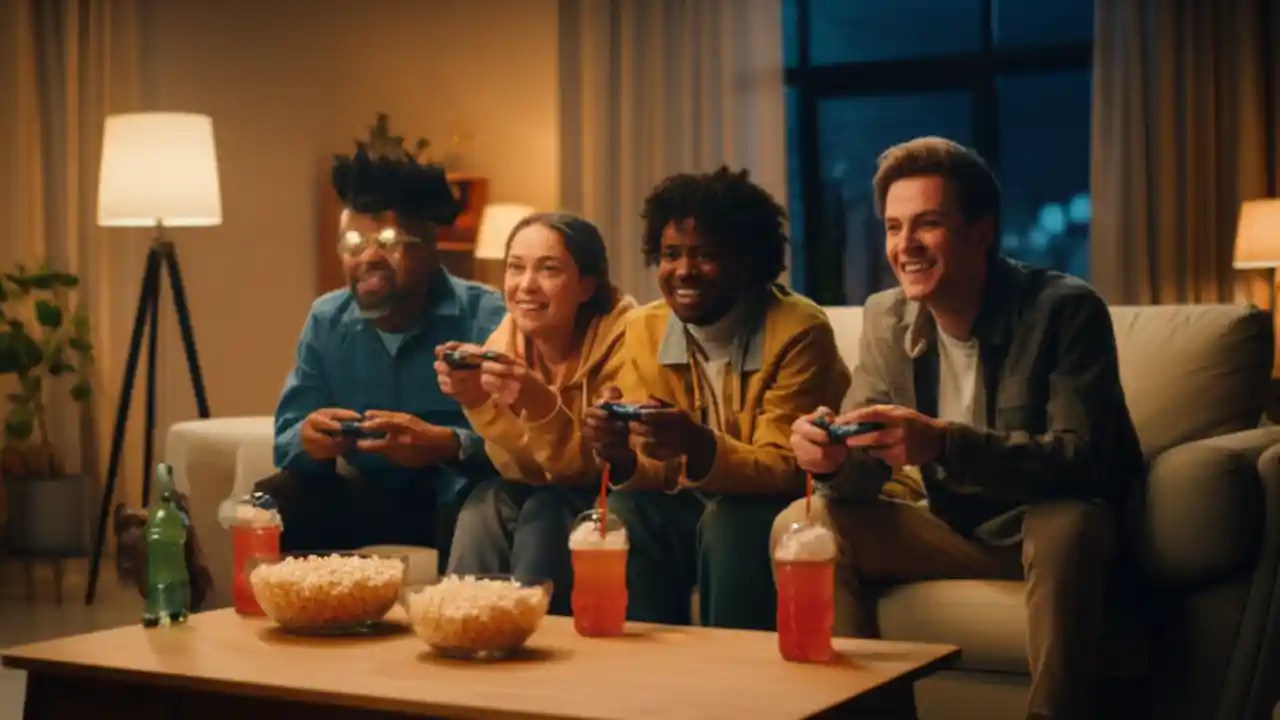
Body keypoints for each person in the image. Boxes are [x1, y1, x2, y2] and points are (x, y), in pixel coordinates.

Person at [779, 136, 1143, 719]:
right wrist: (833, 460)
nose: (906, 246)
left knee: (1067, 521)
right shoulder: (885, 316)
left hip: (1045, 532)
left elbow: (1085, 459)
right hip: (955, 531)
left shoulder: (1064, 310)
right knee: (805, 520)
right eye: (894, 227)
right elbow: (865, 468)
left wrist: (945, 443)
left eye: (928, 224)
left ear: (982, 232)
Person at [581, 167, 852, 630]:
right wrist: (618, 454)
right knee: (627, 513)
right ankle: (636, 685)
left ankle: (736, 684)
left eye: (705, 255)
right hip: (697, 504)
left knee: (733, 521)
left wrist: (697, 443)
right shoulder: (643, 329)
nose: (683, 271)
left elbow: (788, 467)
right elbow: (656, 473)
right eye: (670, 254)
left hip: (785, 506)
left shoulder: (798, 330)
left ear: (747, 262)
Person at [256, 114, 505, 567]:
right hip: (365, 495)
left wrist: (448, 443)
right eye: (353, 242)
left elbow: (523, 444)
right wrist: (310, 440)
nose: (368, 257)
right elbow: (286, 439)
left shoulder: (485, 315)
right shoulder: (327, 319)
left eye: (388, 241)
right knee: (273, 499)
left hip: (453, 497)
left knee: (480, 507)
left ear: (430, 248)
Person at [437, 213, 636, 613]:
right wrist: (478, 401)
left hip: (619, 491)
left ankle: (529, 630)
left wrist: (539, 402)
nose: (525, 286)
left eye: (548, 269)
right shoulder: (507, 338)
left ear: (586, 284)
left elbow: (594, 470)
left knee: (546, 509)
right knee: (484, 503)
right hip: (549, 484)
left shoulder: (631, 338)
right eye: (515, 267)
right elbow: (518, 469)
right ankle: (463, 625)